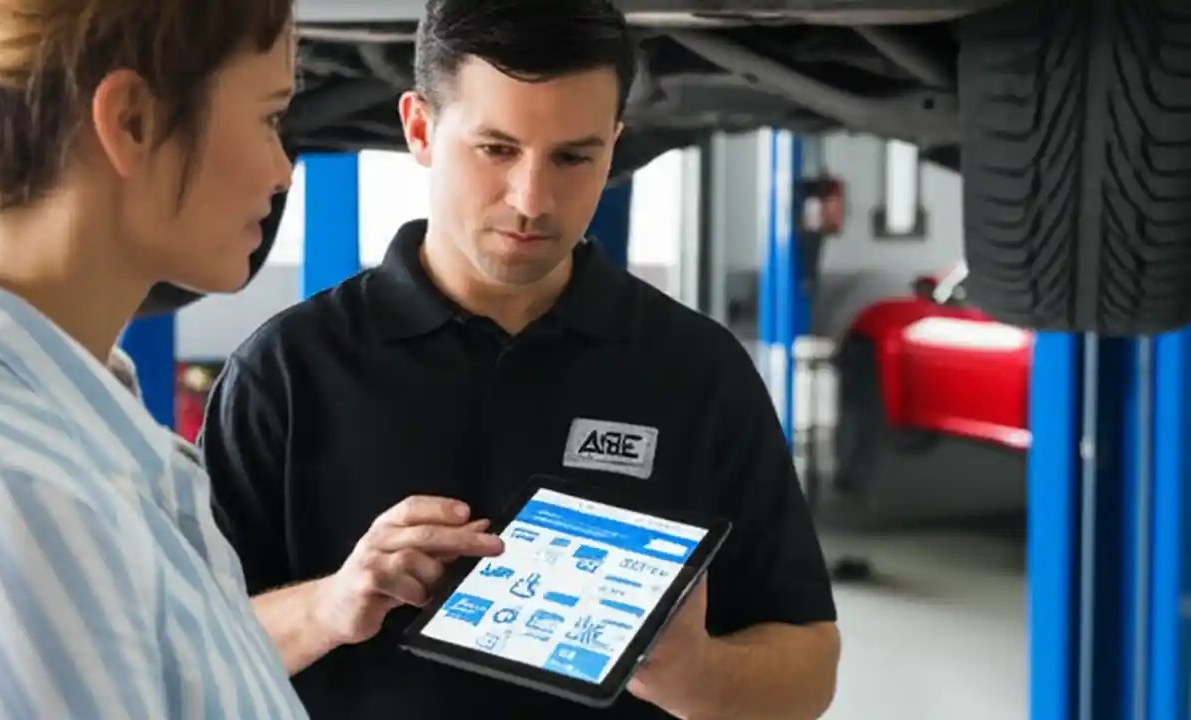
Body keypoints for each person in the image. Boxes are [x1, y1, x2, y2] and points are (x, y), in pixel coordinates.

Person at [201, 0, 841, 717]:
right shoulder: (288, 372)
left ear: (614, 146)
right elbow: (189, 653)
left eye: (573, 157)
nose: (532, 200)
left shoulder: (697, 371)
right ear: (420, 129)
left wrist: (697, 676)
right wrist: (328, 606)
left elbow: (810, 662)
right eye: (496, 149)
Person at [0, 1, 307, 717]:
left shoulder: (65, 438)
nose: (282, 171)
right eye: (269, 117)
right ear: (132, 121)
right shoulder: (17, 488)